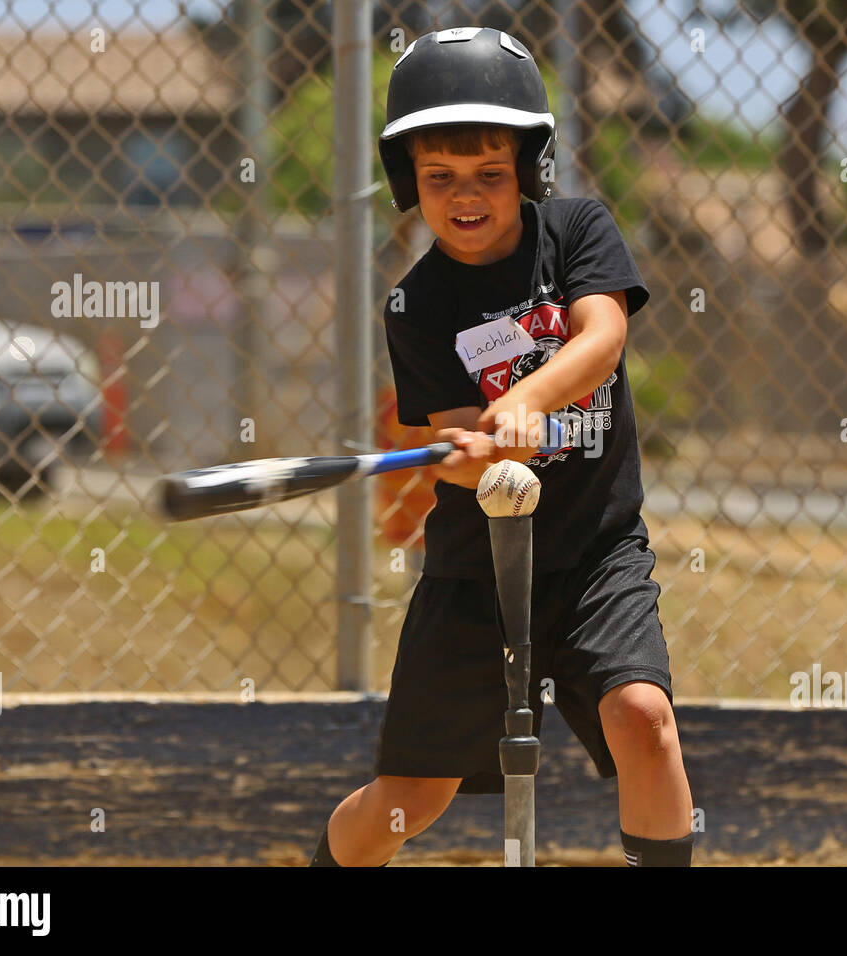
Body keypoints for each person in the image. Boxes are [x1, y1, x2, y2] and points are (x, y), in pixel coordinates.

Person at [309, 25, 694, 867]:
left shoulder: (577, 232)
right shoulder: (416, 306)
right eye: (439, 177)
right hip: (471, 573)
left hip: (596, 553)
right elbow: (454, 438)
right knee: (410, 801)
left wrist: (524, 399)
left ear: (528, 169)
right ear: (408, 180)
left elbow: (601, 338)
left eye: (491, 172)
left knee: (643, 719)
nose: (467, 194)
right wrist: (474, 449)